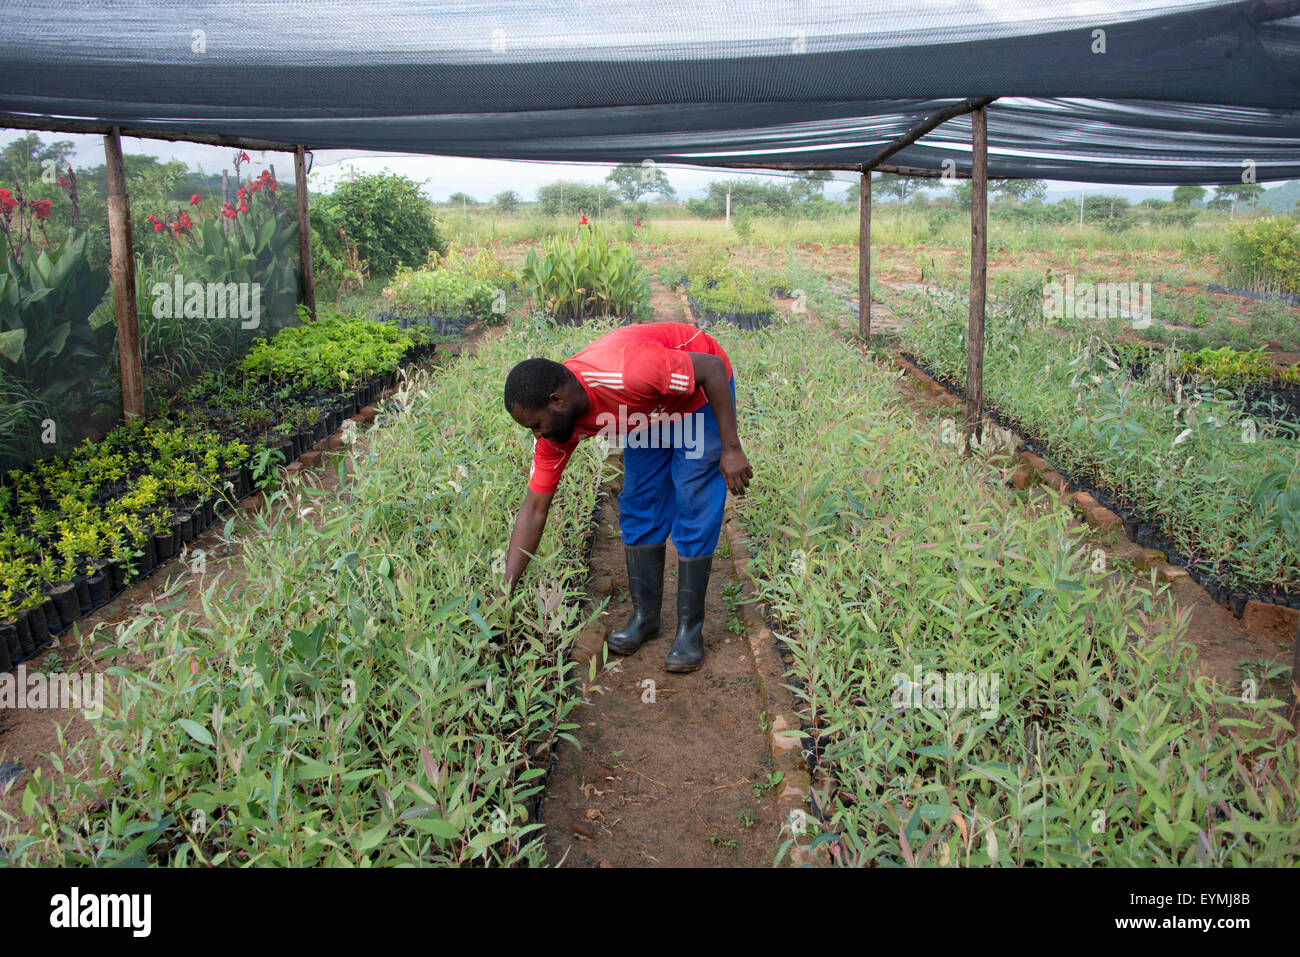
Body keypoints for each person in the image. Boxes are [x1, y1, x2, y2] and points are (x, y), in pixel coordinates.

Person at [502, 322, 752, 672]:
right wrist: (504, 592)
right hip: (644, 413)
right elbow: (534, 509)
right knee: (639, 504)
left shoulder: (629, 371)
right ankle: (645, 618)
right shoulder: (558, 428)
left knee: (693, 501)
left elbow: (711, 370)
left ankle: (689, 631)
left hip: (698, 399)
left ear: (556, 400)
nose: (536, 434)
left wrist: (731, 448)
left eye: (535, 424)